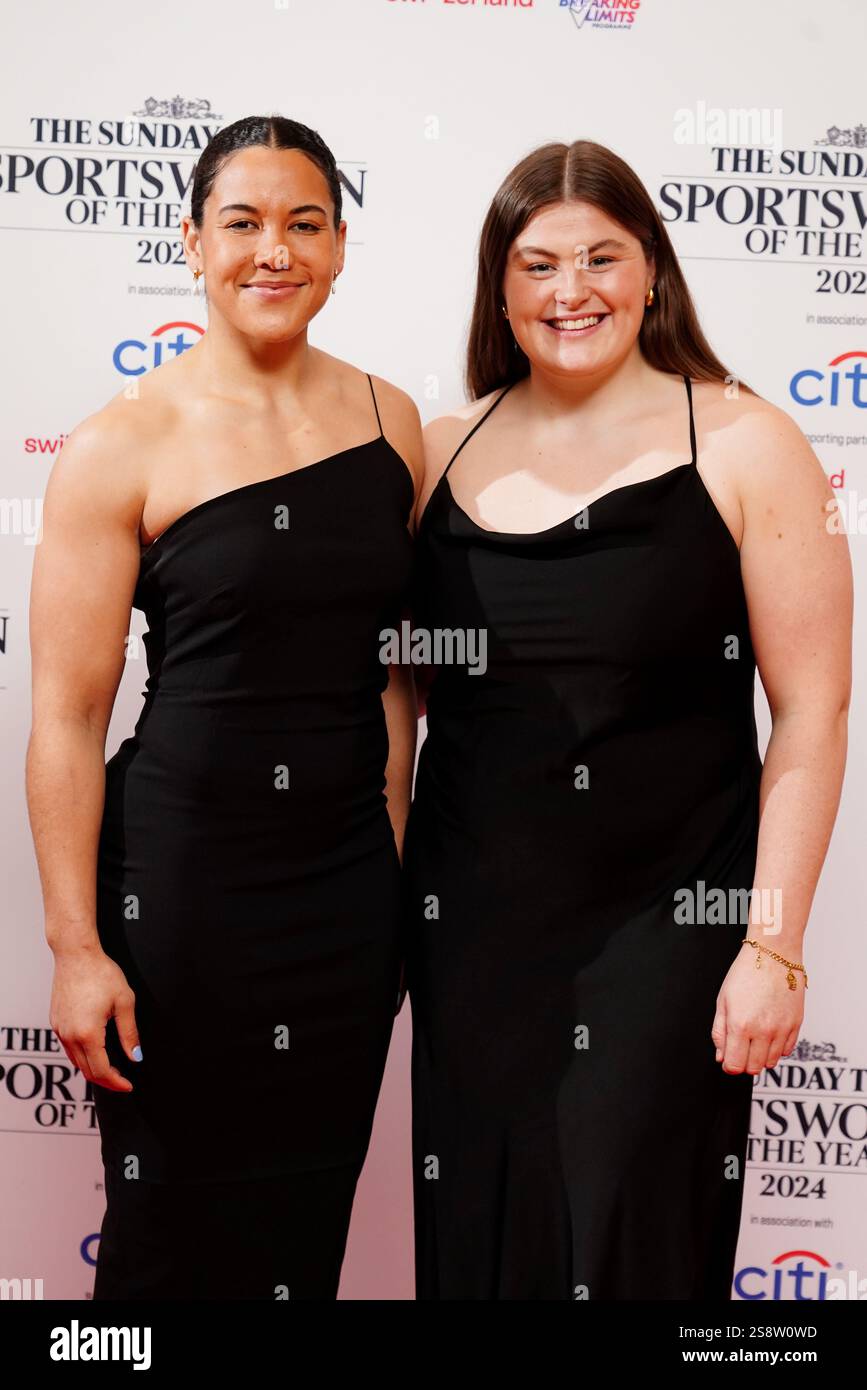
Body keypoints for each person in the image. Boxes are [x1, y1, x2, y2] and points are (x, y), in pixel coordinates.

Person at [402, 139, 852, 1300]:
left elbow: (812, 708)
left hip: (669, 930)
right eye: (538, 263)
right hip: (475, 935)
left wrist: (775, 946)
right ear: (500, 287)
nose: (571, 290)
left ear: (651, 268)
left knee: (630, 1235)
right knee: (486, 1241)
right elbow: (396, 693)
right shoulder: (440, 451)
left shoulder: (749, 443)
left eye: (602, 256)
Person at [26, 115, 422, 1300]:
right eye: (242, 223)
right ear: (191, 241)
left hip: (347, 892)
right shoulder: (118, 446)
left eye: (304, 223)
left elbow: (398, 677)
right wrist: (77, 945)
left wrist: (389, 858)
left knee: (305, 1225)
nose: (273, 251)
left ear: (342, 246)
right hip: (183, 890)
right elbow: (63, 713)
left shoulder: (387, 419)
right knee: (165, 1234)